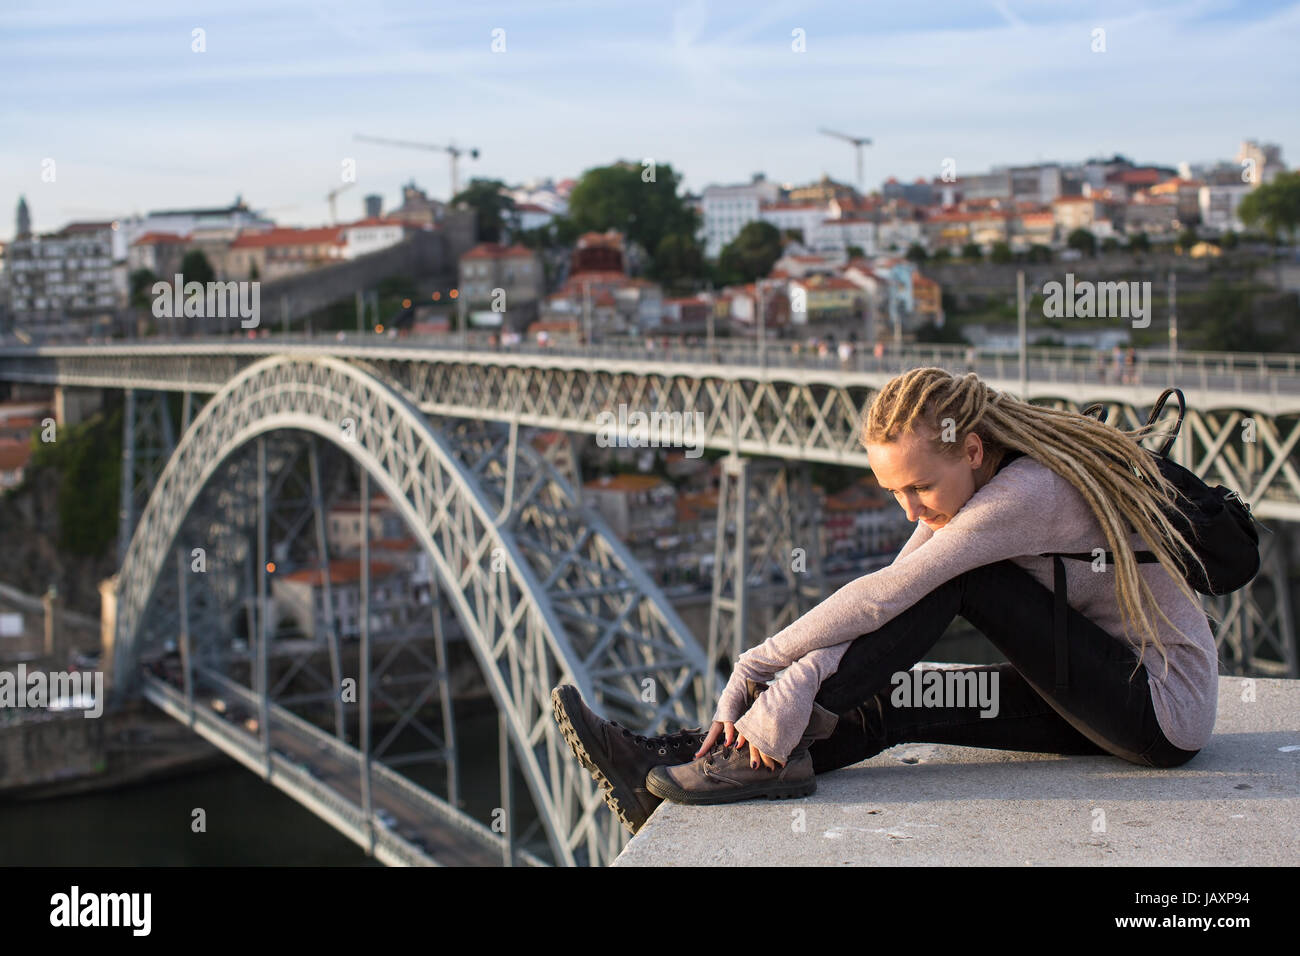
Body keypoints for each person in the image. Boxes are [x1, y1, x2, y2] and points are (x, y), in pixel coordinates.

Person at [553, 366, 1217, 831]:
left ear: (974, 450)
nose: (909, 513)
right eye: (894, 494)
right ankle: (684, 762)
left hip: (1156, 708)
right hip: (1090, 694)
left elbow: (892, 594)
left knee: (962, 578)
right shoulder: (969, 489)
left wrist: (761, 663)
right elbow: (885, 603)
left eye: (919, 489)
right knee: (905, 699)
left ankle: (744, 760)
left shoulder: (1027, 494)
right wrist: (793, 681)